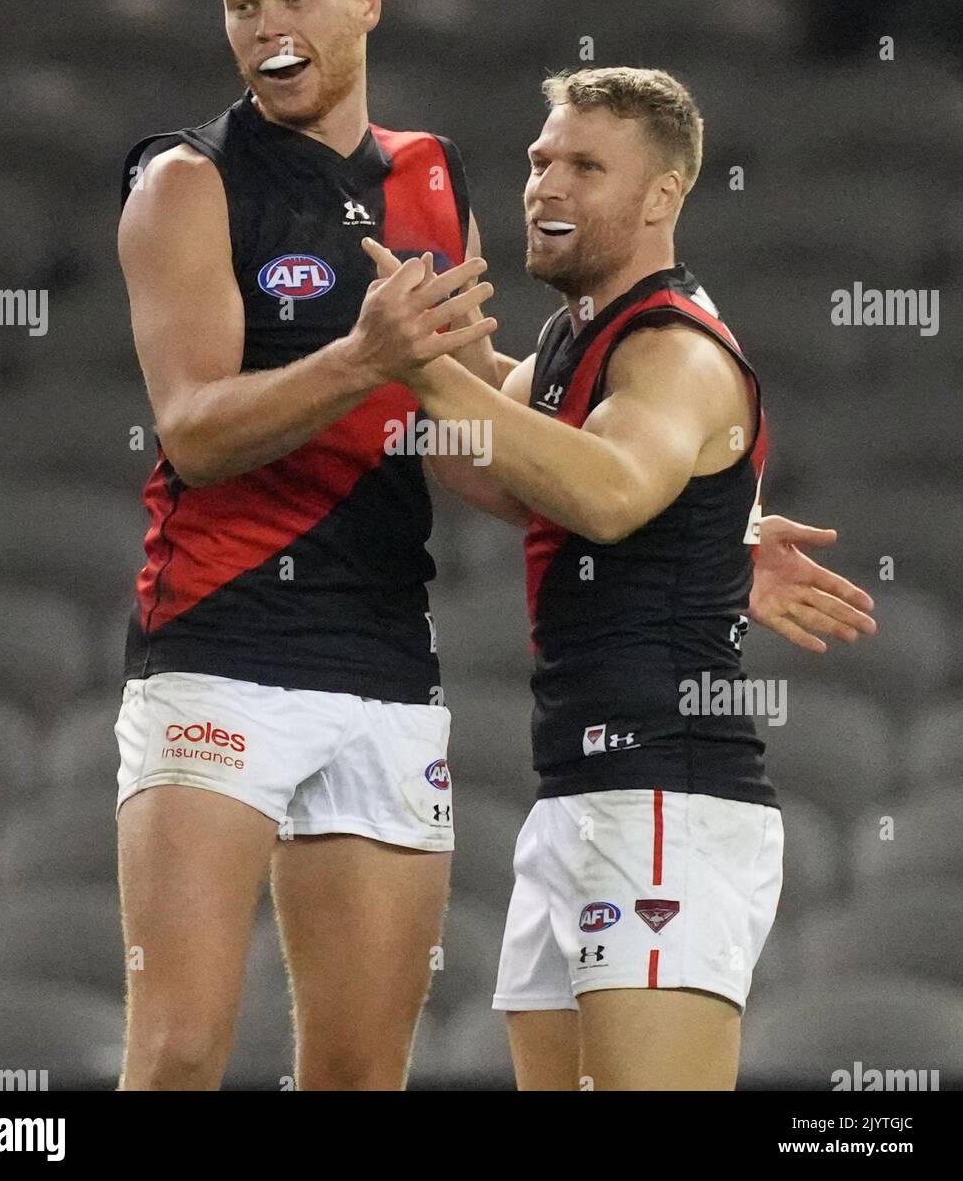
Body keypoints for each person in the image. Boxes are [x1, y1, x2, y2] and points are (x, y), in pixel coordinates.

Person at [362, 64, 877, 1090]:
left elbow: (605, 492)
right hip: (582, 790)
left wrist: (425, 368)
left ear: (659, 197)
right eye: (539, 160)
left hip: (665, 791)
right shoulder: (569, 337)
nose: (545, 185)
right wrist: (432, 344)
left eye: (584, 166)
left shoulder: (667, 348)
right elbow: (487, 464)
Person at [113, 0, 500, 1091]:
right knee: (178, 1051)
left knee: (355, 1071)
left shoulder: (430, 175)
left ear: (365, 3)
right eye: (240, 6)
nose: (265, 26)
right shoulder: (186, 183)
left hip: (382, 658)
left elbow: (471, 430)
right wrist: (361, 358)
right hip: (220, 640)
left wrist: (703, 519)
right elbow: (195, 429)